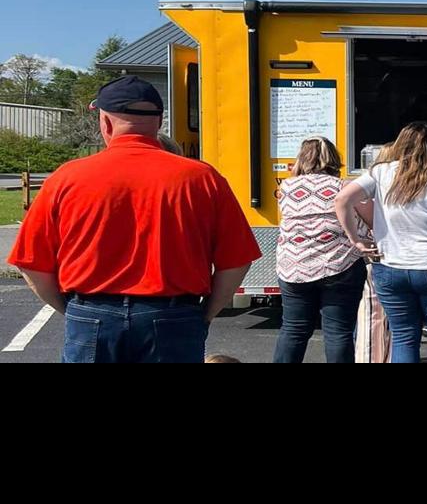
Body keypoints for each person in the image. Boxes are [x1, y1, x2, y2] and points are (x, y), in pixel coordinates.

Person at [5, 75, 261, 363]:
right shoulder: (203, 179)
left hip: (91, 312)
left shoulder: (66, 178)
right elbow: (237, 259)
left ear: (106, 122)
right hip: (174, 315)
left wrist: (75, 312)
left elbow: (31, 263)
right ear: (159, 121)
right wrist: (205, 314)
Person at [333, 121, 427, 363]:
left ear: (400, 145)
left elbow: (342, 200)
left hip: (391, 267)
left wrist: (356, 240)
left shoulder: (381, 173)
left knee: (403, 337)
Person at [272, 136, 370, 363]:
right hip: (339, 265)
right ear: (334, 159)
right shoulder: (344, 187)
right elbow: (371, 219)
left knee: (293, 329)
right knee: (338, 333)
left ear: (301, 159)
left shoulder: (286, 187)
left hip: (293, 266)